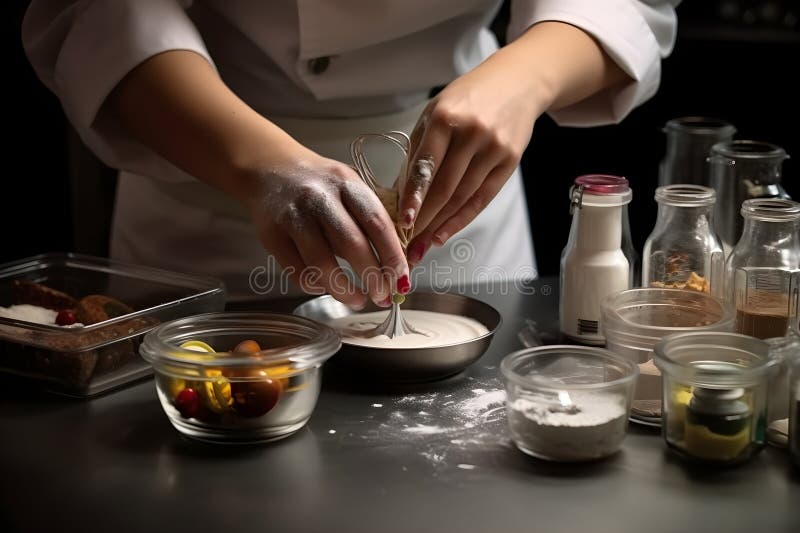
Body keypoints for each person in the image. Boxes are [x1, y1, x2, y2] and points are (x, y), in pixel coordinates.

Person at [22, 0, 679, 306]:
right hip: (205, 174)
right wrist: (253, 164)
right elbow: (97, 11)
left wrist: (526, 77)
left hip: (460, 216)